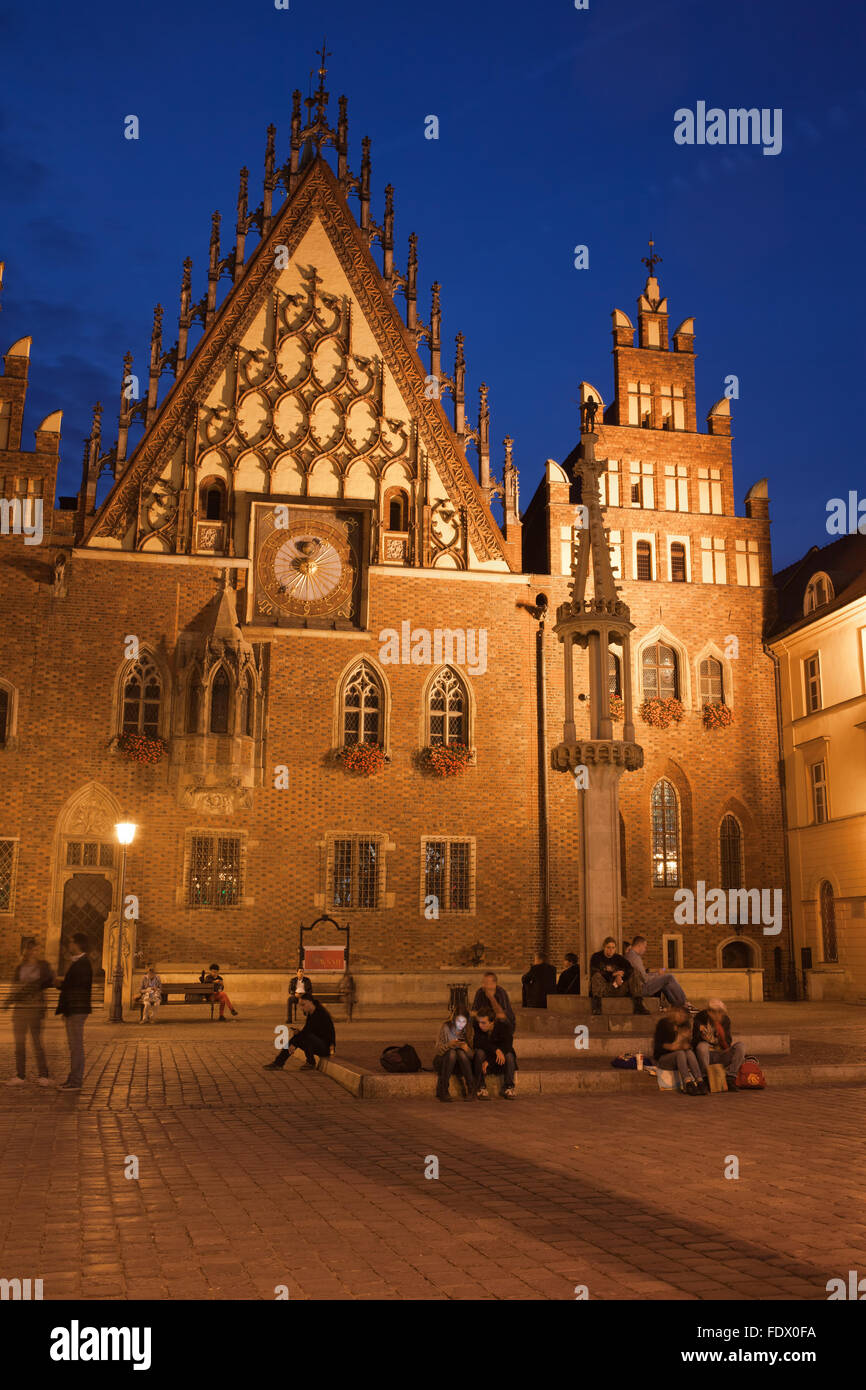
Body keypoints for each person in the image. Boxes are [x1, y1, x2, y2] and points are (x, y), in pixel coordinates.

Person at [3, 937, 55, 1086]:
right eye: (30, 949)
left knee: (37, 1043)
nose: (33, 952)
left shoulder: (43, 966)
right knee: (19, 1045)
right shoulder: (20, 968)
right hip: (20, 1010)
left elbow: (46, 981)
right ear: (25, 951)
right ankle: (20, 1075)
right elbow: (15, 987)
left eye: (35, 949)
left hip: (35, 1010)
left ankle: (43, 1075)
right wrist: (9, 1000)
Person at [55, 932, 93, 1091]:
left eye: (71, 942)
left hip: (77, 1009)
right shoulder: (78, 962)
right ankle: (72, 1078)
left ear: (77, 944)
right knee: (73, 1045)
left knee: (76, 1046)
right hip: (74, 1009)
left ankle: (76, 1081)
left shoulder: (83, 963)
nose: (69, 945)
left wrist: (60, 984)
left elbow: (76, 986)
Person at [263, 996, 336, 1070]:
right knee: (298, 1037)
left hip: (325, 1048)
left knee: (304, 1037)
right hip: (316, 1043)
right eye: (300, 1005)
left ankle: (310, 1062)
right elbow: (307, 1031)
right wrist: (296, 1037)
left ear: (310, 1002)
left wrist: (294, 1043)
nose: (301, 1008)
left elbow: (308, 1032)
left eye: (303, 1005)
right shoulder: (311, 1013)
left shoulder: (320, 1014)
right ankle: (278, 1063)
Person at [692, 998, 746, 1093]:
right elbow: (694, 1043)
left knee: (740, 1046)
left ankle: (731, 1077)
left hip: (720, 1054)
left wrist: (721, 1034)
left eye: (720, 1012)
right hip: (707, 1056)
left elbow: (727, 1044)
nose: (717, 1015)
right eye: (714, 1012)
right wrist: (701, 1036)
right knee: (702, 1046)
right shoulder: (700, 1019)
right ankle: (706, 1078)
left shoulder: (725, 1020)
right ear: (709, 1012)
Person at [653, 1006, 706, 1096]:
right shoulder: (664, 1024)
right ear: (674, 1013)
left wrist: (686, 1041)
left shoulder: (685, 1025)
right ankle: (688, 1082)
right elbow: (660, 1046)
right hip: (664, 1058)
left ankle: (700, 1081)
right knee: (680, 1053)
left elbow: (687, 1046)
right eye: (680, 1014)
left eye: (683, 1016)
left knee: (689, 1052)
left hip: (680, 1058)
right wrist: (676, 1043)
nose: (681, 1018)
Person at [626, 936, 690, 1009]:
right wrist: (657, 974)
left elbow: (642, 976)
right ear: (639, 945)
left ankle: (677, 1005)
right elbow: (645, 979)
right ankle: (684, 1002)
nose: (645, 949)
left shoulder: (630, 955)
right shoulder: (634, 958)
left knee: (664, 982)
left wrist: (656, 974)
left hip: (638, 986)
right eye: (645, 947)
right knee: (669, 977)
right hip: (640, 989)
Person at [589, 937, 648, 1015]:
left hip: (617, 986)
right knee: (596, 976)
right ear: (604, 947)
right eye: (608, 947)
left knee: (635, 972)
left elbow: (630, 969)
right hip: (604, 988)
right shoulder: (596, 957)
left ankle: (639, 1005)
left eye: (613, 948)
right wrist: (613, 974)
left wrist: (620, 976)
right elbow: (594, 971)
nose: (611, 950)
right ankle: (596, 1007)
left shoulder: (619, 958)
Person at [473, 1008, 517, 1099]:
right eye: (479, 1022)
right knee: (479, 1053)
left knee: (509, 1055)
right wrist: (496, 1050)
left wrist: (490, 1061)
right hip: (487, 1057)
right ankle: (481, 1088)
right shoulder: (477, 1027)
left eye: (483, 1023)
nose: (480, 1025)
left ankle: (509, 1087)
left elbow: (507, 1046)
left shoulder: (504, 1027)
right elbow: (478, 1042)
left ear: (492, 1022)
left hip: (499, 1061)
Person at [432, 1008, 475, 1102]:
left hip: (461, 1063)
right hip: (444, 1062)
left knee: (460, 1052)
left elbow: (472, 1056)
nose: (461, 1024)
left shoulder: (469, 1030)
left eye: (464, 1021)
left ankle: (471, 1089)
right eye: (458, 1021)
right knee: (452, 1053)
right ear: (454, 1019)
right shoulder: (446, 1027)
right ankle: (443, 1090)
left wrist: (466, 1049)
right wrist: (449, 1045)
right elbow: (438, 1050)